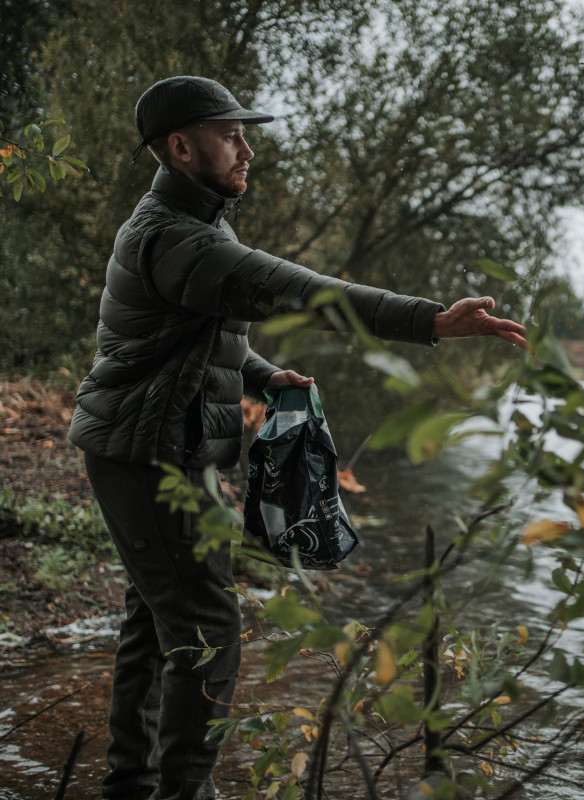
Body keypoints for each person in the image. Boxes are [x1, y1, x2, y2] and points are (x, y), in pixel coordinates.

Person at [68, 75, 526, 800]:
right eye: (231, 135)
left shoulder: (198, 224)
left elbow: (183, 339)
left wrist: (258, 375)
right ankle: (182, 792)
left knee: (155, 621)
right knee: (205, 625)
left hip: (155, 448)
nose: (248, 149)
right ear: (182, 147)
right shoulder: (174, 236)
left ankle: (133, 784)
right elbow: (306, 290)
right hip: (146, 453)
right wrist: (430, 320)